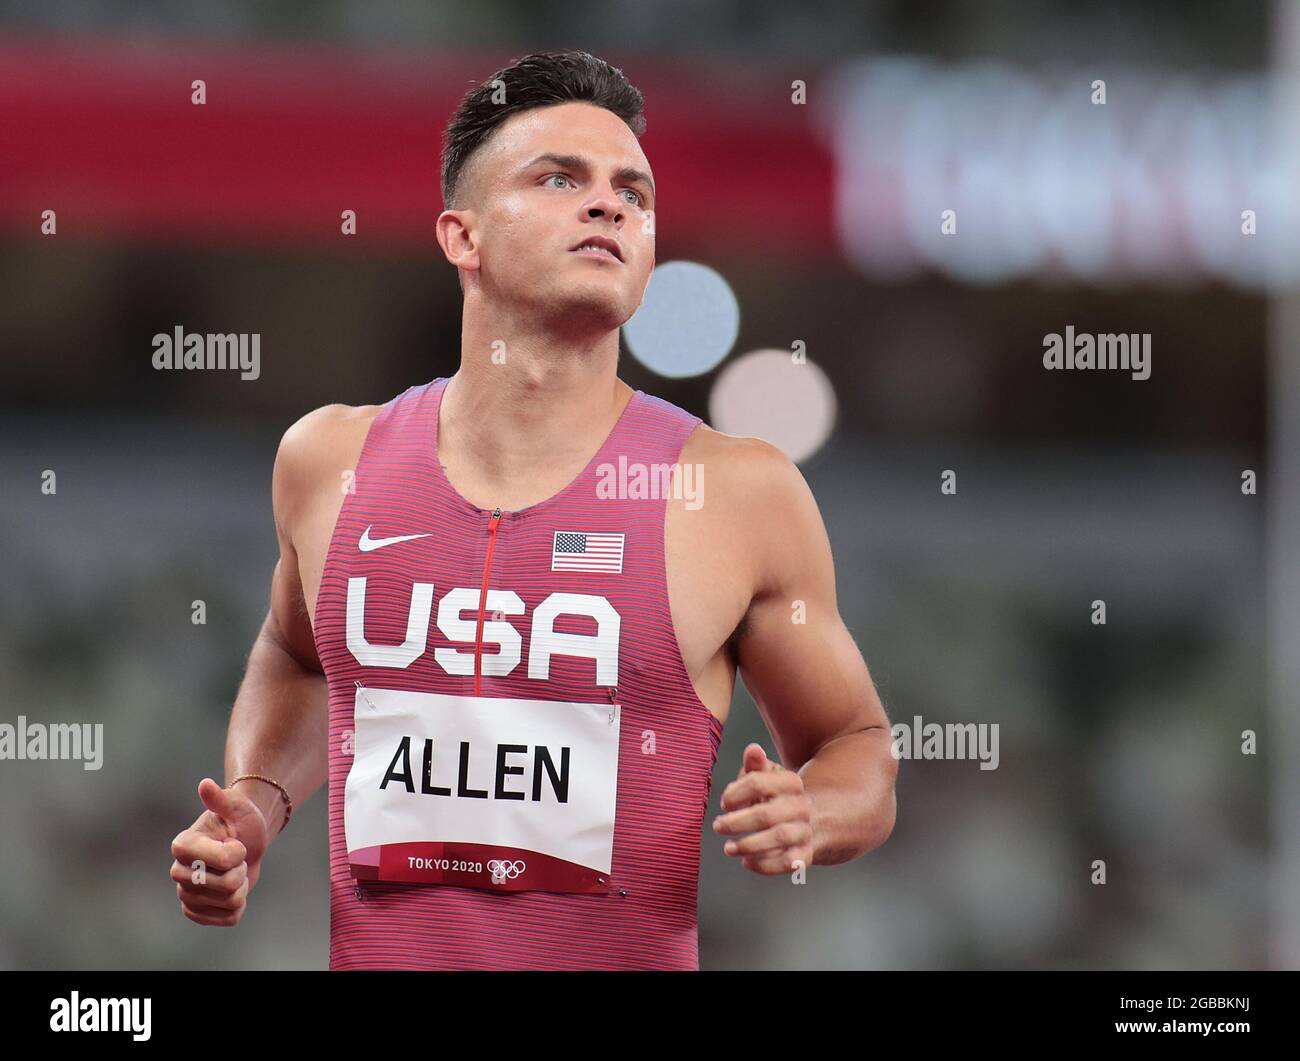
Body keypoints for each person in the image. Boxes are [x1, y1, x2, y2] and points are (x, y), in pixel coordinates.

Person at [169, 49, 897, 970]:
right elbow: (299, 655)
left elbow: (856, 744)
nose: (610, 205)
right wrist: (255, 805)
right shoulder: (328, 461)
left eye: (633, 192)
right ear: (460, 237)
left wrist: (812, 810)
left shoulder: (736, 491)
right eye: (560, 178)